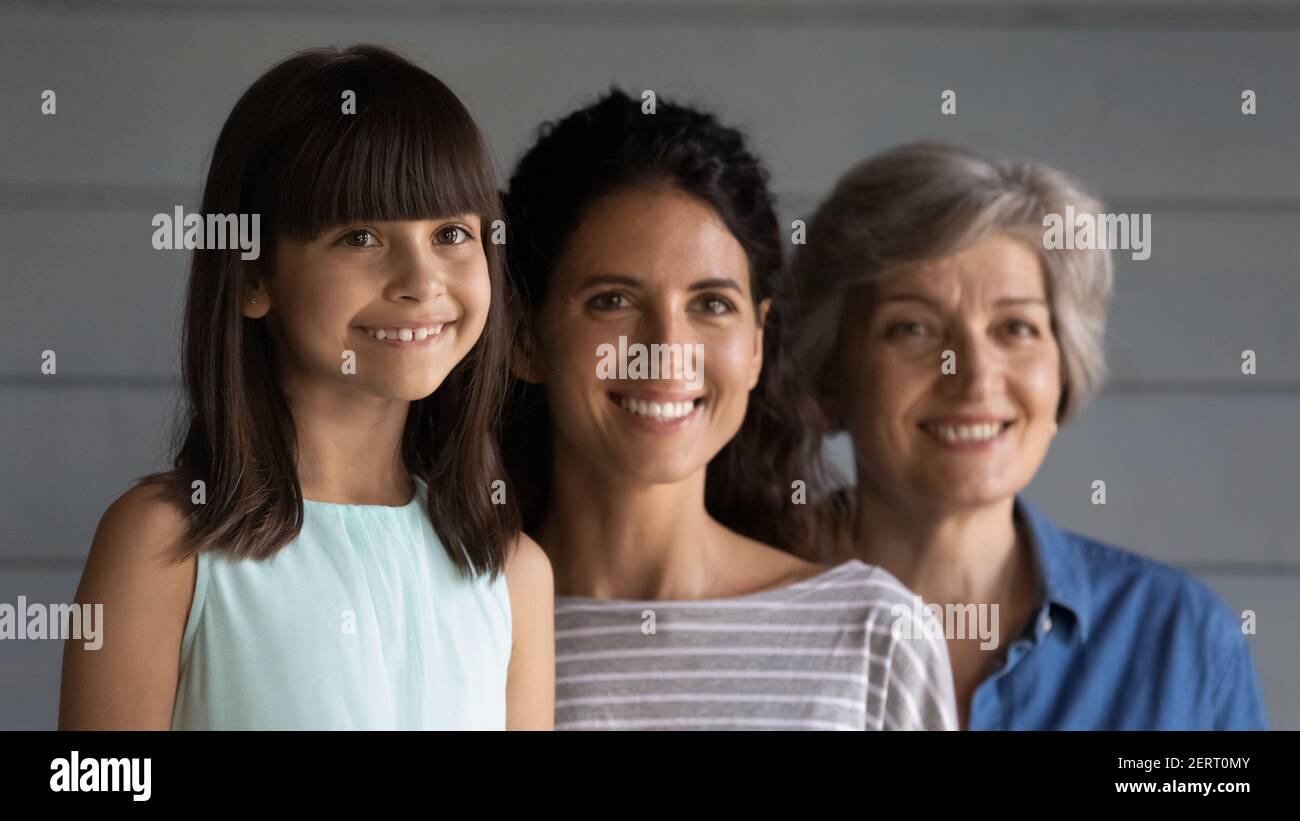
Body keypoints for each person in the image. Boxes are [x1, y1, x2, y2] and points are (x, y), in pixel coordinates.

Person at [59, 45, 553, 730]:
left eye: (449, 232)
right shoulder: (163, 545)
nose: (421, 280)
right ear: (253, 277)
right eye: (359, 236)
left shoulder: (511, 573)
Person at [502, 91, 957, 730]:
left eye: (711, 304)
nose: (666, 351)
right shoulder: (457, 624)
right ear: (525, 338)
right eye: (612, 301)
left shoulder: (873, 636)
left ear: (756, 345)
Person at [789, 141, 1268, 729]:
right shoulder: (731, 616)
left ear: (1064, 370)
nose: (975, 377)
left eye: (1015, 327)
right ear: (829, 375)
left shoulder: (1179, 642)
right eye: (912, 328)